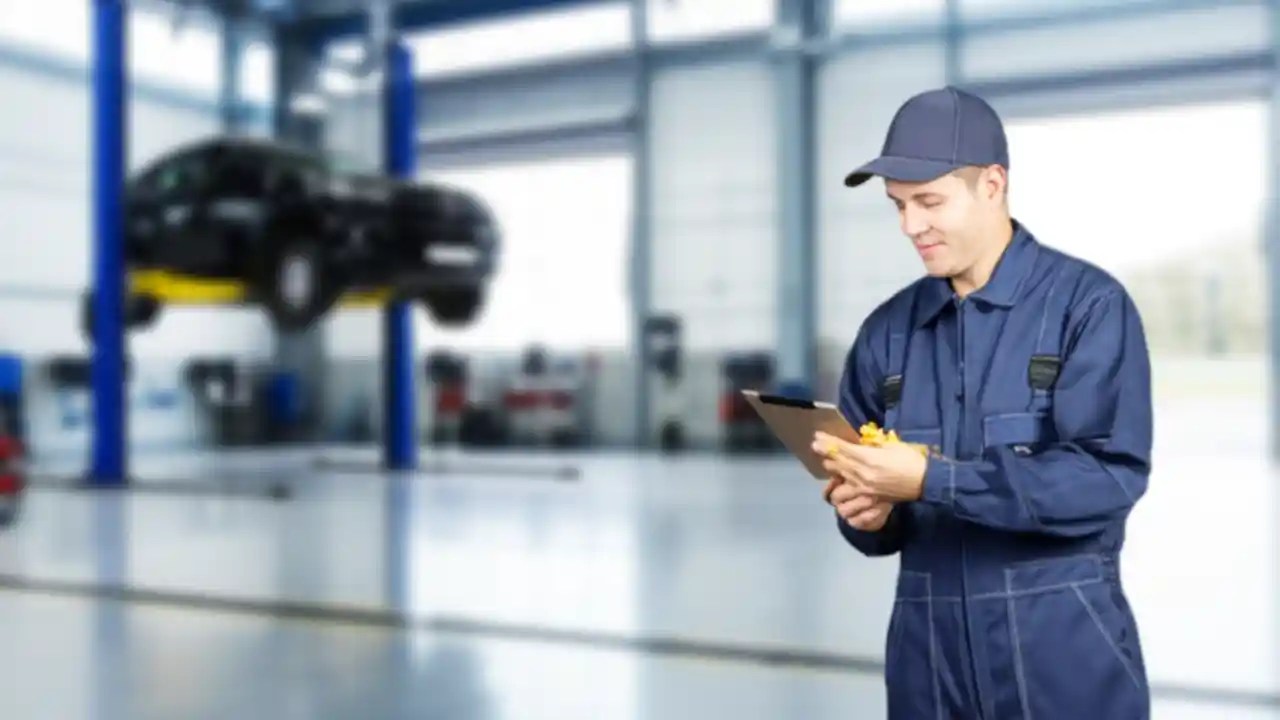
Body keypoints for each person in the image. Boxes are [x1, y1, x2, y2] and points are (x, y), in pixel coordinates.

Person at [811, 86, 1153, 719]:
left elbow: (1106, 480)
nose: (910, 226)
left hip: (1063, 660)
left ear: (992, 185)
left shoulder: (1087, 307)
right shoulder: (887, 333)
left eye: (929, 202)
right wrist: (868, 513)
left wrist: (933, 479)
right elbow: (873, 524)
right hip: (929, 668)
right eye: (899, 205)